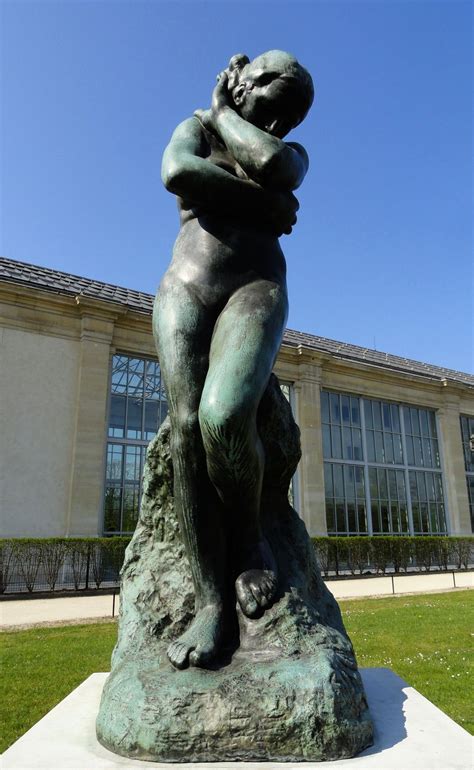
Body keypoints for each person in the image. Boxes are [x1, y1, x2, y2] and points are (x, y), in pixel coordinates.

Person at [153, 50, 314, 670]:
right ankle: (210, 601)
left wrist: (226, 114)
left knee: (223, 417)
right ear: (245, 79)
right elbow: (176, 171)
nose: (286, 115)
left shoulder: (289, 152)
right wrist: (264, 208)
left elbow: (277, 167)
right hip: (186, 287)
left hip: (256, 290)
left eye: (294, 111)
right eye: (277, 89)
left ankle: (250, 540)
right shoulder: (193, 126)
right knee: (187, 427)